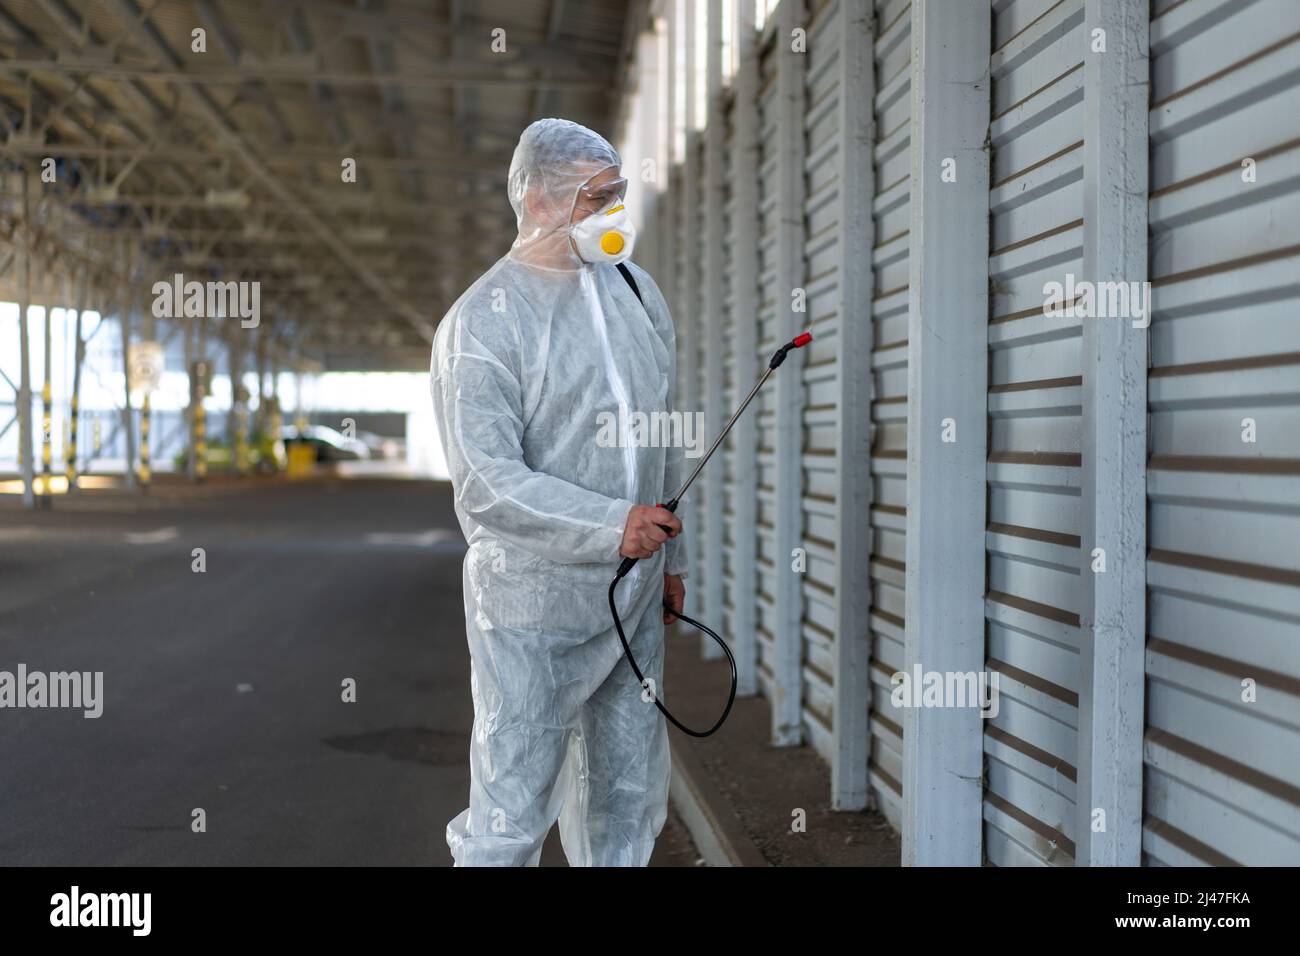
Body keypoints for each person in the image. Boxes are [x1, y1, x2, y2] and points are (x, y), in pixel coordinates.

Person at [430, 118, 688, 867]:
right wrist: (613, 524)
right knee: (513, 800)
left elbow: (659, 436)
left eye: (616, 195)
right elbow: (486, 482)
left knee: (624, 790)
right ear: (538, 202)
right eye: (593, 198)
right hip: (532, 606)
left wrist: (672, 563)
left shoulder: (636, 294)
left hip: (632, 589)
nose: (612, 214)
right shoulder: (484, 320)